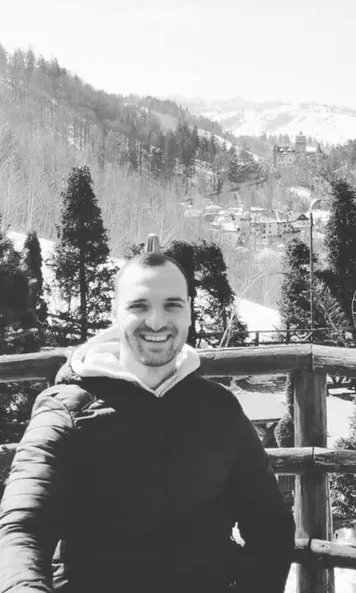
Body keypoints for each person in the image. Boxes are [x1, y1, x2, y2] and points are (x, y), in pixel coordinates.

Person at [0, 252, 295, 593]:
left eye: (172, 305)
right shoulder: (66, 411)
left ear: (188, 311)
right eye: (139, 306)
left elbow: (270, 522)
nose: (156, 321)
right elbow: (23, 527)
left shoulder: (218, 409)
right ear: (115, 313)